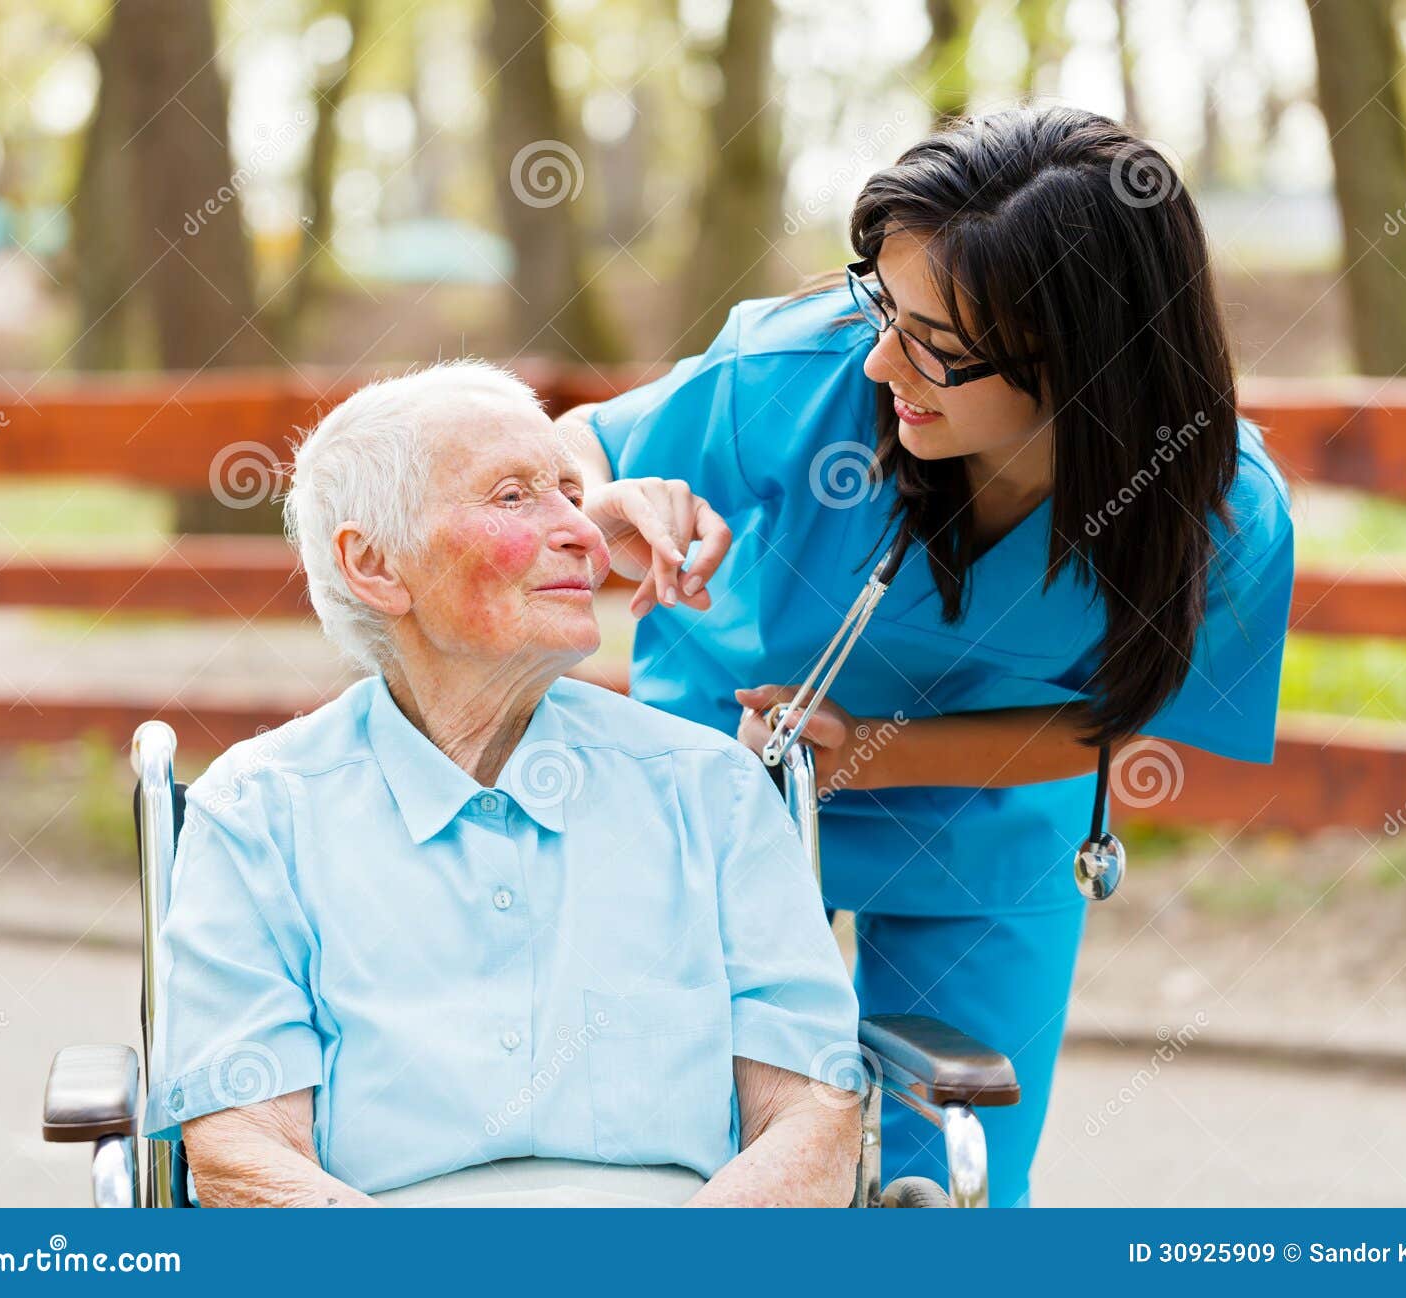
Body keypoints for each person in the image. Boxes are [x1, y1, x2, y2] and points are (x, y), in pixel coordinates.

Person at [555, 105, 1295, 1207]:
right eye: (881, 303)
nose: (881, 358)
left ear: (1086, 361)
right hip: (730, 779)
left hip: (981, 818)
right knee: (707, 1160)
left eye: (936, 343)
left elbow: (1119, 709)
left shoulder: (1216, 510)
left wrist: (885, 755)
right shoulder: (800, 369)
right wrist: (601, 497)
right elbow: (573, 450)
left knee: (956, 1182)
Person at [141, 361, 861, 1207]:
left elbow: (815, 1117)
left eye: (568, 488)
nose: (589, 535)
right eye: (515, 497)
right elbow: (243, 1155)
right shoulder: (259, 812)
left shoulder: (711, 791)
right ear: (375, 564)